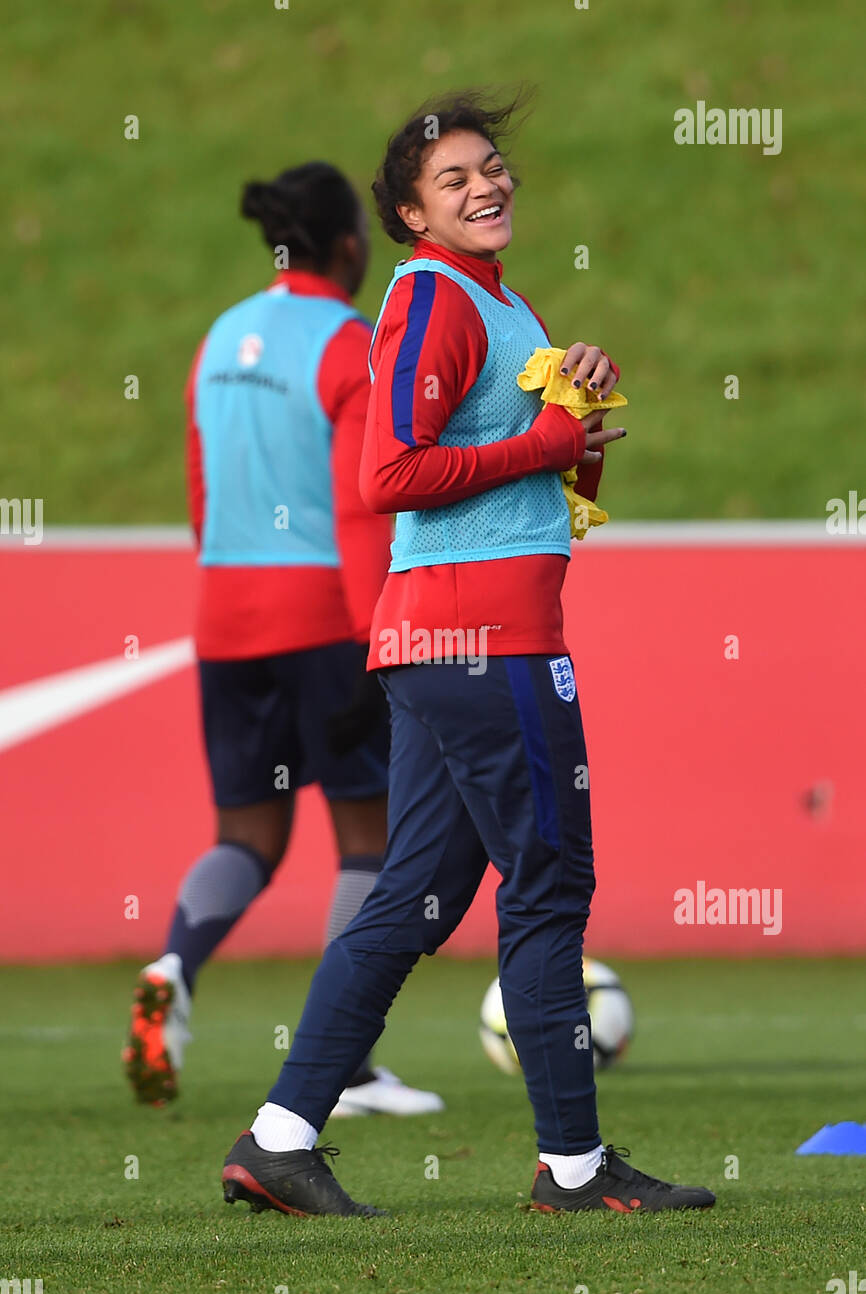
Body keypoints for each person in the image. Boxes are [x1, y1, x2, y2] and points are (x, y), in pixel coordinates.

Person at [221, 95, 715, 1217]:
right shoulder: (435, 297)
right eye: (452, 180)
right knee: (548, 886)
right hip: (486, 643)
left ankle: (279, 1137)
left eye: (491, 167)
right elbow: (387, 475)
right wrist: (544, 439)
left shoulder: (500, 304)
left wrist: (572, 436)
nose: (484, 185)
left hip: (445, 638)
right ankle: (574, 1171)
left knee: (416, 899)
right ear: (408, 213)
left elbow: (530, 490)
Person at [123, 161, 443, 1119]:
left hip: (224, 616)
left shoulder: (219, 336)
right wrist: (369, 634)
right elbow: (357, 504)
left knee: (247, 837)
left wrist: (229, 588)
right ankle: (339, 1064)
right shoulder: (349, 342)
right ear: (349, 245)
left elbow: (200, 490)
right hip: (321, 617)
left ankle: (172, 964)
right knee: (373, 840)